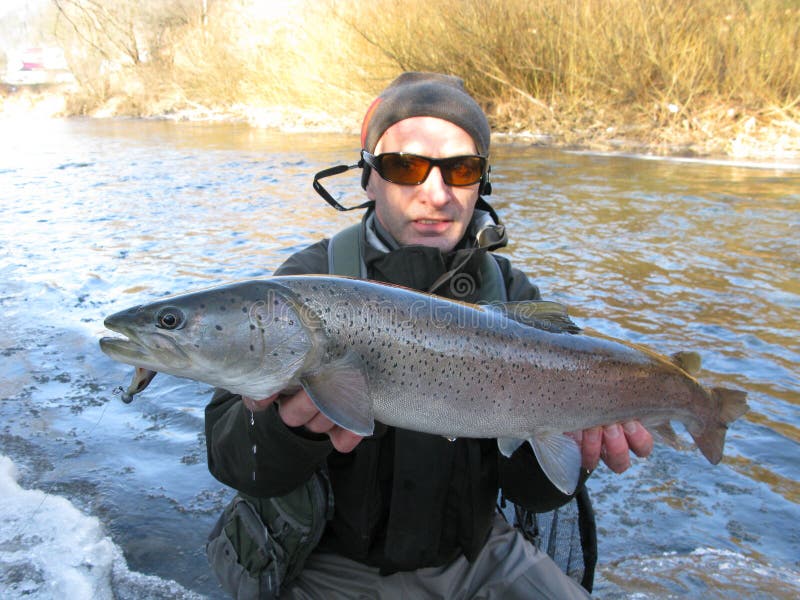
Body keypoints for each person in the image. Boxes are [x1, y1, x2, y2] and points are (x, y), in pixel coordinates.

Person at [205, 72, 653, 599]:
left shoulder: (511, 294)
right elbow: (232, 458)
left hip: (483, 554)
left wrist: (576, 443)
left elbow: (533, 491)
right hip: (331, 564)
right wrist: (289, 433)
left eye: (461, 170)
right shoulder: (303, 285)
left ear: (480, 182)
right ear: (368, 177)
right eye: (405, 167)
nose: (436, 194)